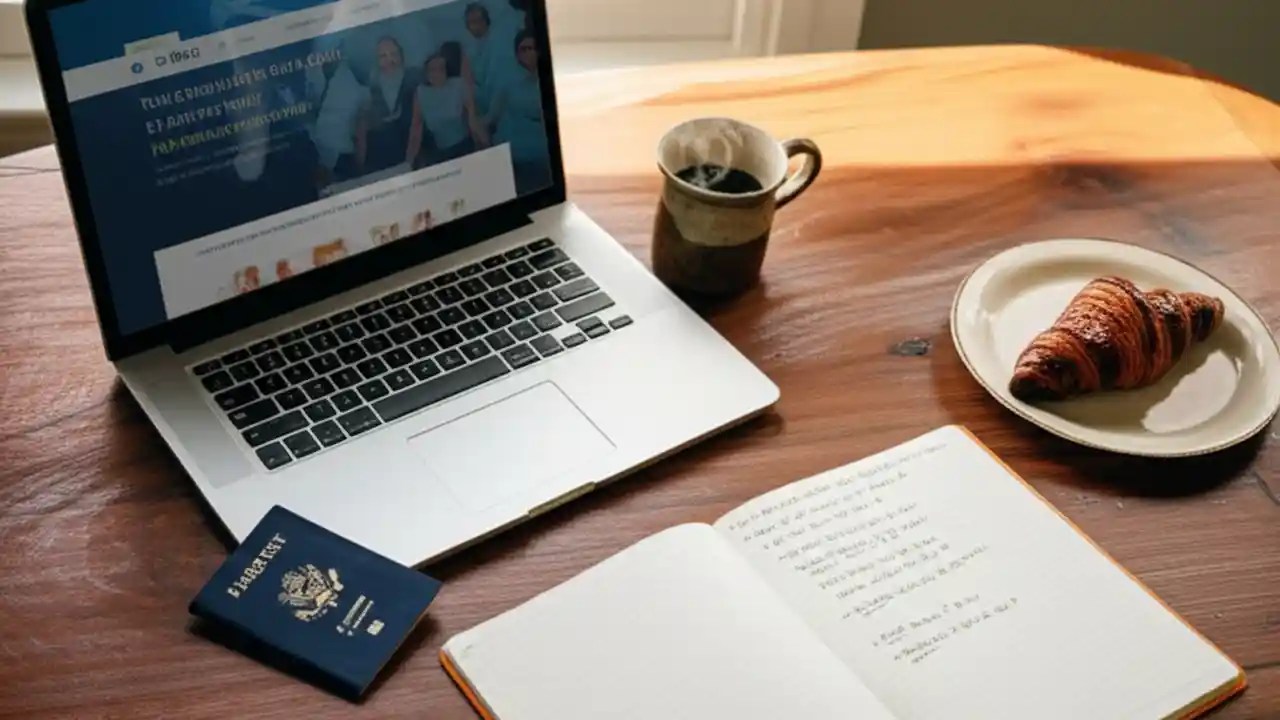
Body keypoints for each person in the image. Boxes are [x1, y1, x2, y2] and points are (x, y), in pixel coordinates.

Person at [487, 30, 550, 193]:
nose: (529, 53)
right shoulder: (507, 81)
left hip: (545, 156)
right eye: (524, 49)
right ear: (517, 54)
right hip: (518, 156)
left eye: (533, 48)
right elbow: (493, 117)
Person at [407, 52, 489, 167]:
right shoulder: (421, 93)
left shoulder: (459, 85)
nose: (437, 73)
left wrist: (488, 147)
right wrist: (408, 162)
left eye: (441, 69)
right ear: (426, 73)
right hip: (440, 153)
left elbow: (473, 119)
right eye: (433, 69)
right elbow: (416, 129)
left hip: (465, 147)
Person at [356, 36, 420, 173]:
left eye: (393, 54)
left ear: (401, 55)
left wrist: (410, 163)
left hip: (414, 159)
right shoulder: (370, 89)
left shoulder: (414, 79)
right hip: (380, 163)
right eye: (383, 56)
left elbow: (418, 125)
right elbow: (362, 131)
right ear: (376, 60)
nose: (389, 60)